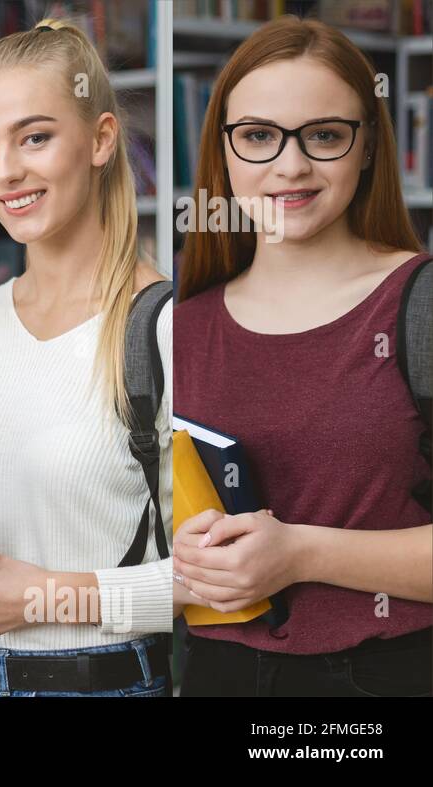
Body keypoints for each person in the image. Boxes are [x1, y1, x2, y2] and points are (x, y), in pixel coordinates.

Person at [0, 19, 173, 697]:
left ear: (101, 139)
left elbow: (221, 579)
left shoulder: (171, 330)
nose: (6, 173)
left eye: (34, 137)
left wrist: (50, 599)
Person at [173, 15, 432, 697]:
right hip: (210, 675)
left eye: (323, 135)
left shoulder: (420, 305)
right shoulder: (175, 324)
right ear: (223, 150)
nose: (291, 165)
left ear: (368, 146)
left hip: (382, 680)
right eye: (258, 136)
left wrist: (302, 553)